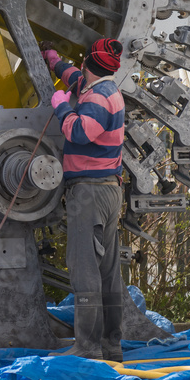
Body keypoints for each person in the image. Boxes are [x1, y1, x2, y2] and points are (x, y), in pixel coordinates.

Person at [41, 39, 126, 361]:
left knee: (85, 269)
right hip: (107, 188)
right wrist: (53, 60)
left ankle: (88, 348)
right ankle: (111, 345)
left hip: (90, 191)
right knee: (107, 270)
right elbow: (74, 77)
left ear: (88, 62)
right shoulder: (101, 88)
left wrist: (61, 106)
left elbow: (79, 132)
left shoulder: (99, 99)